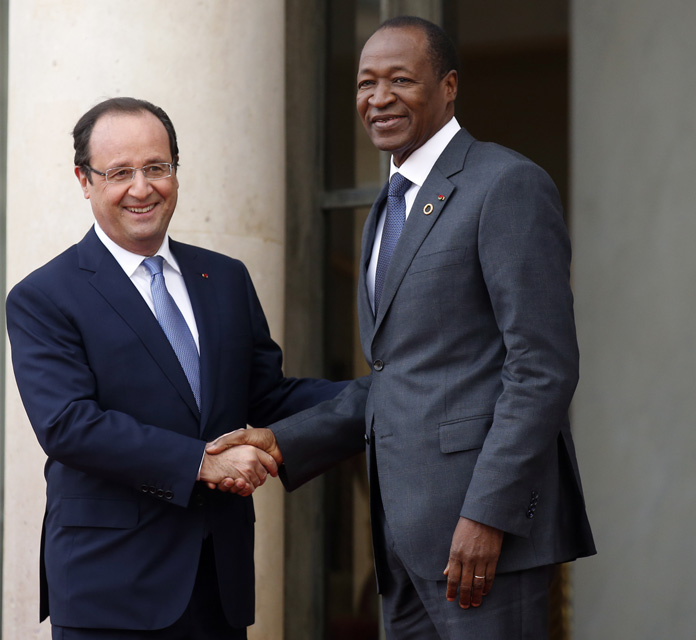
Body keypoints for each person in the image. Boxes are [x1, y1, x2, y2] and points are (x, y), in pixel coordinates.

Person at [208, 16, 595, 639]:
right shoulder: (387, 208)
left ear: (448, 86)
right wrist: (281, 440)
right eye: (365, 83)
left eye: (399, 79)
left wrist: (487, 514)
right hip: (403, 546)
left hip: (482, 543)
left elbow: (543, 369)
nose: (378, 98)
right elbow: (398, 378)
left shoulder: (506, 185)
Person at [6, 97, 345, 639]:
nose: (142, 189)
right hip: (108, 590)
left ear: (176, 172)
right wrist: (198, 463)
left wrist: (384, 395)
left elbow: (266, 398)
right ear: (84, 180)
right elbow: (68, 425)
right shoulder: (45, 296)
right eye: (120, 173)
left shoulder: (226, 279)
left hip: (218, 583)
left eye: (157, 168)